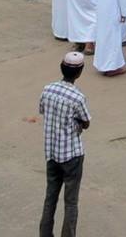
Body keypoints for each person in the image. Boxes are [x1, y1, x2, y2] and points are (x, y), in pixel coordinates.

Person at [37, 52, 92, 237]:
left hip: (51, 153)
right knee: (71, 201)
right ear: (79, 72)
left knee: (50, 196)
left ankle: (45, 233)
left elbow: (43, 110)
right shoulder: (78, 97)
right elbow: (86, 122)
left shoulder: (48, 89)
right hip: (71, 155)